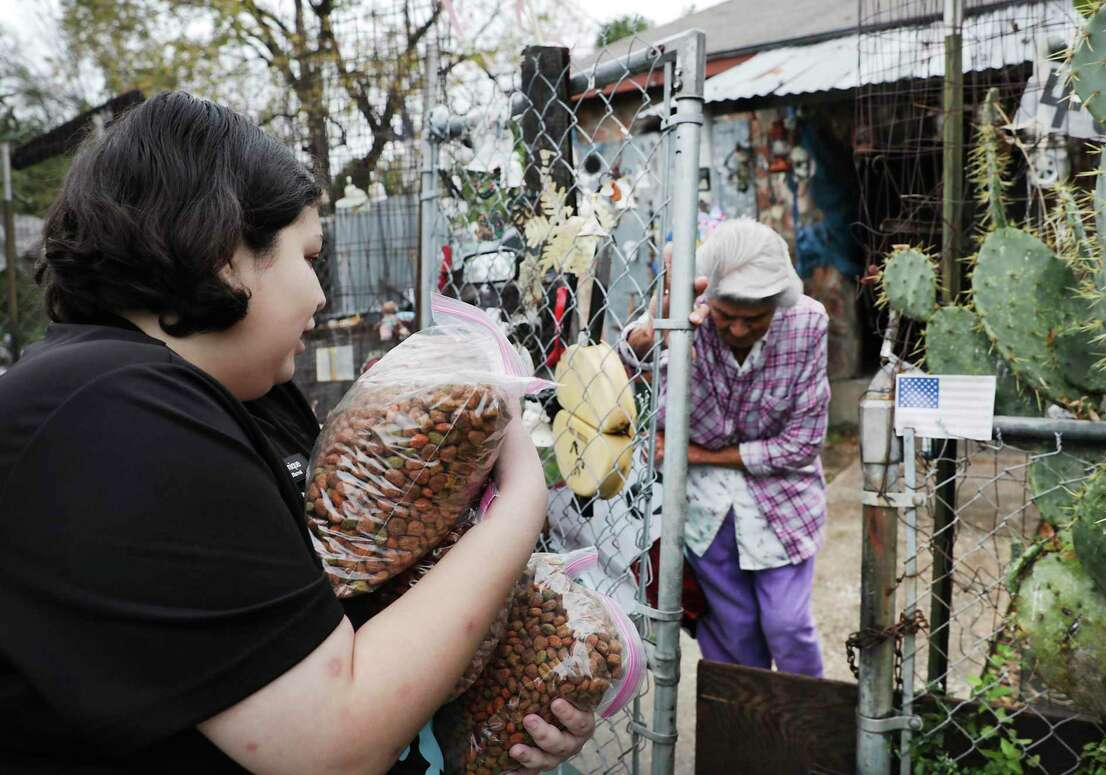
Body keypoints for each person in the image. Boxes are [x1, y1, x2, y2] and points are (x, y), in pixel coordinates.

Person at [0, 91, 593, 773]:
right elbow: (334, 743)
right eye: (308, 256)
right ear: (226, 252)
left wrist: (506, 703)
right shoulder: (111, 411)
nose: (320, 293)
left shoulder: (231, 393)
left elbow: (311, 630)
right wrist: (520, 506)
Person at [621, 219, 829, 677]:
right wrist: (655, 333)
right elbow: (626, 367)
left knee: (788, 627)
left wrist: (693, 453)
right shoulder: (687, 311)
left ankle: (807, 735)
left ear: (778, 305)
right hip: (704, 506)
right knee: (734, 636)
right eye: (724, 315)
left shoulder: (807, 323)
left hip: (783, 500)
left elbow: (802, 443)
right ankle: (745, 732)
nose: (735, 329)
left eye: (753, 320)